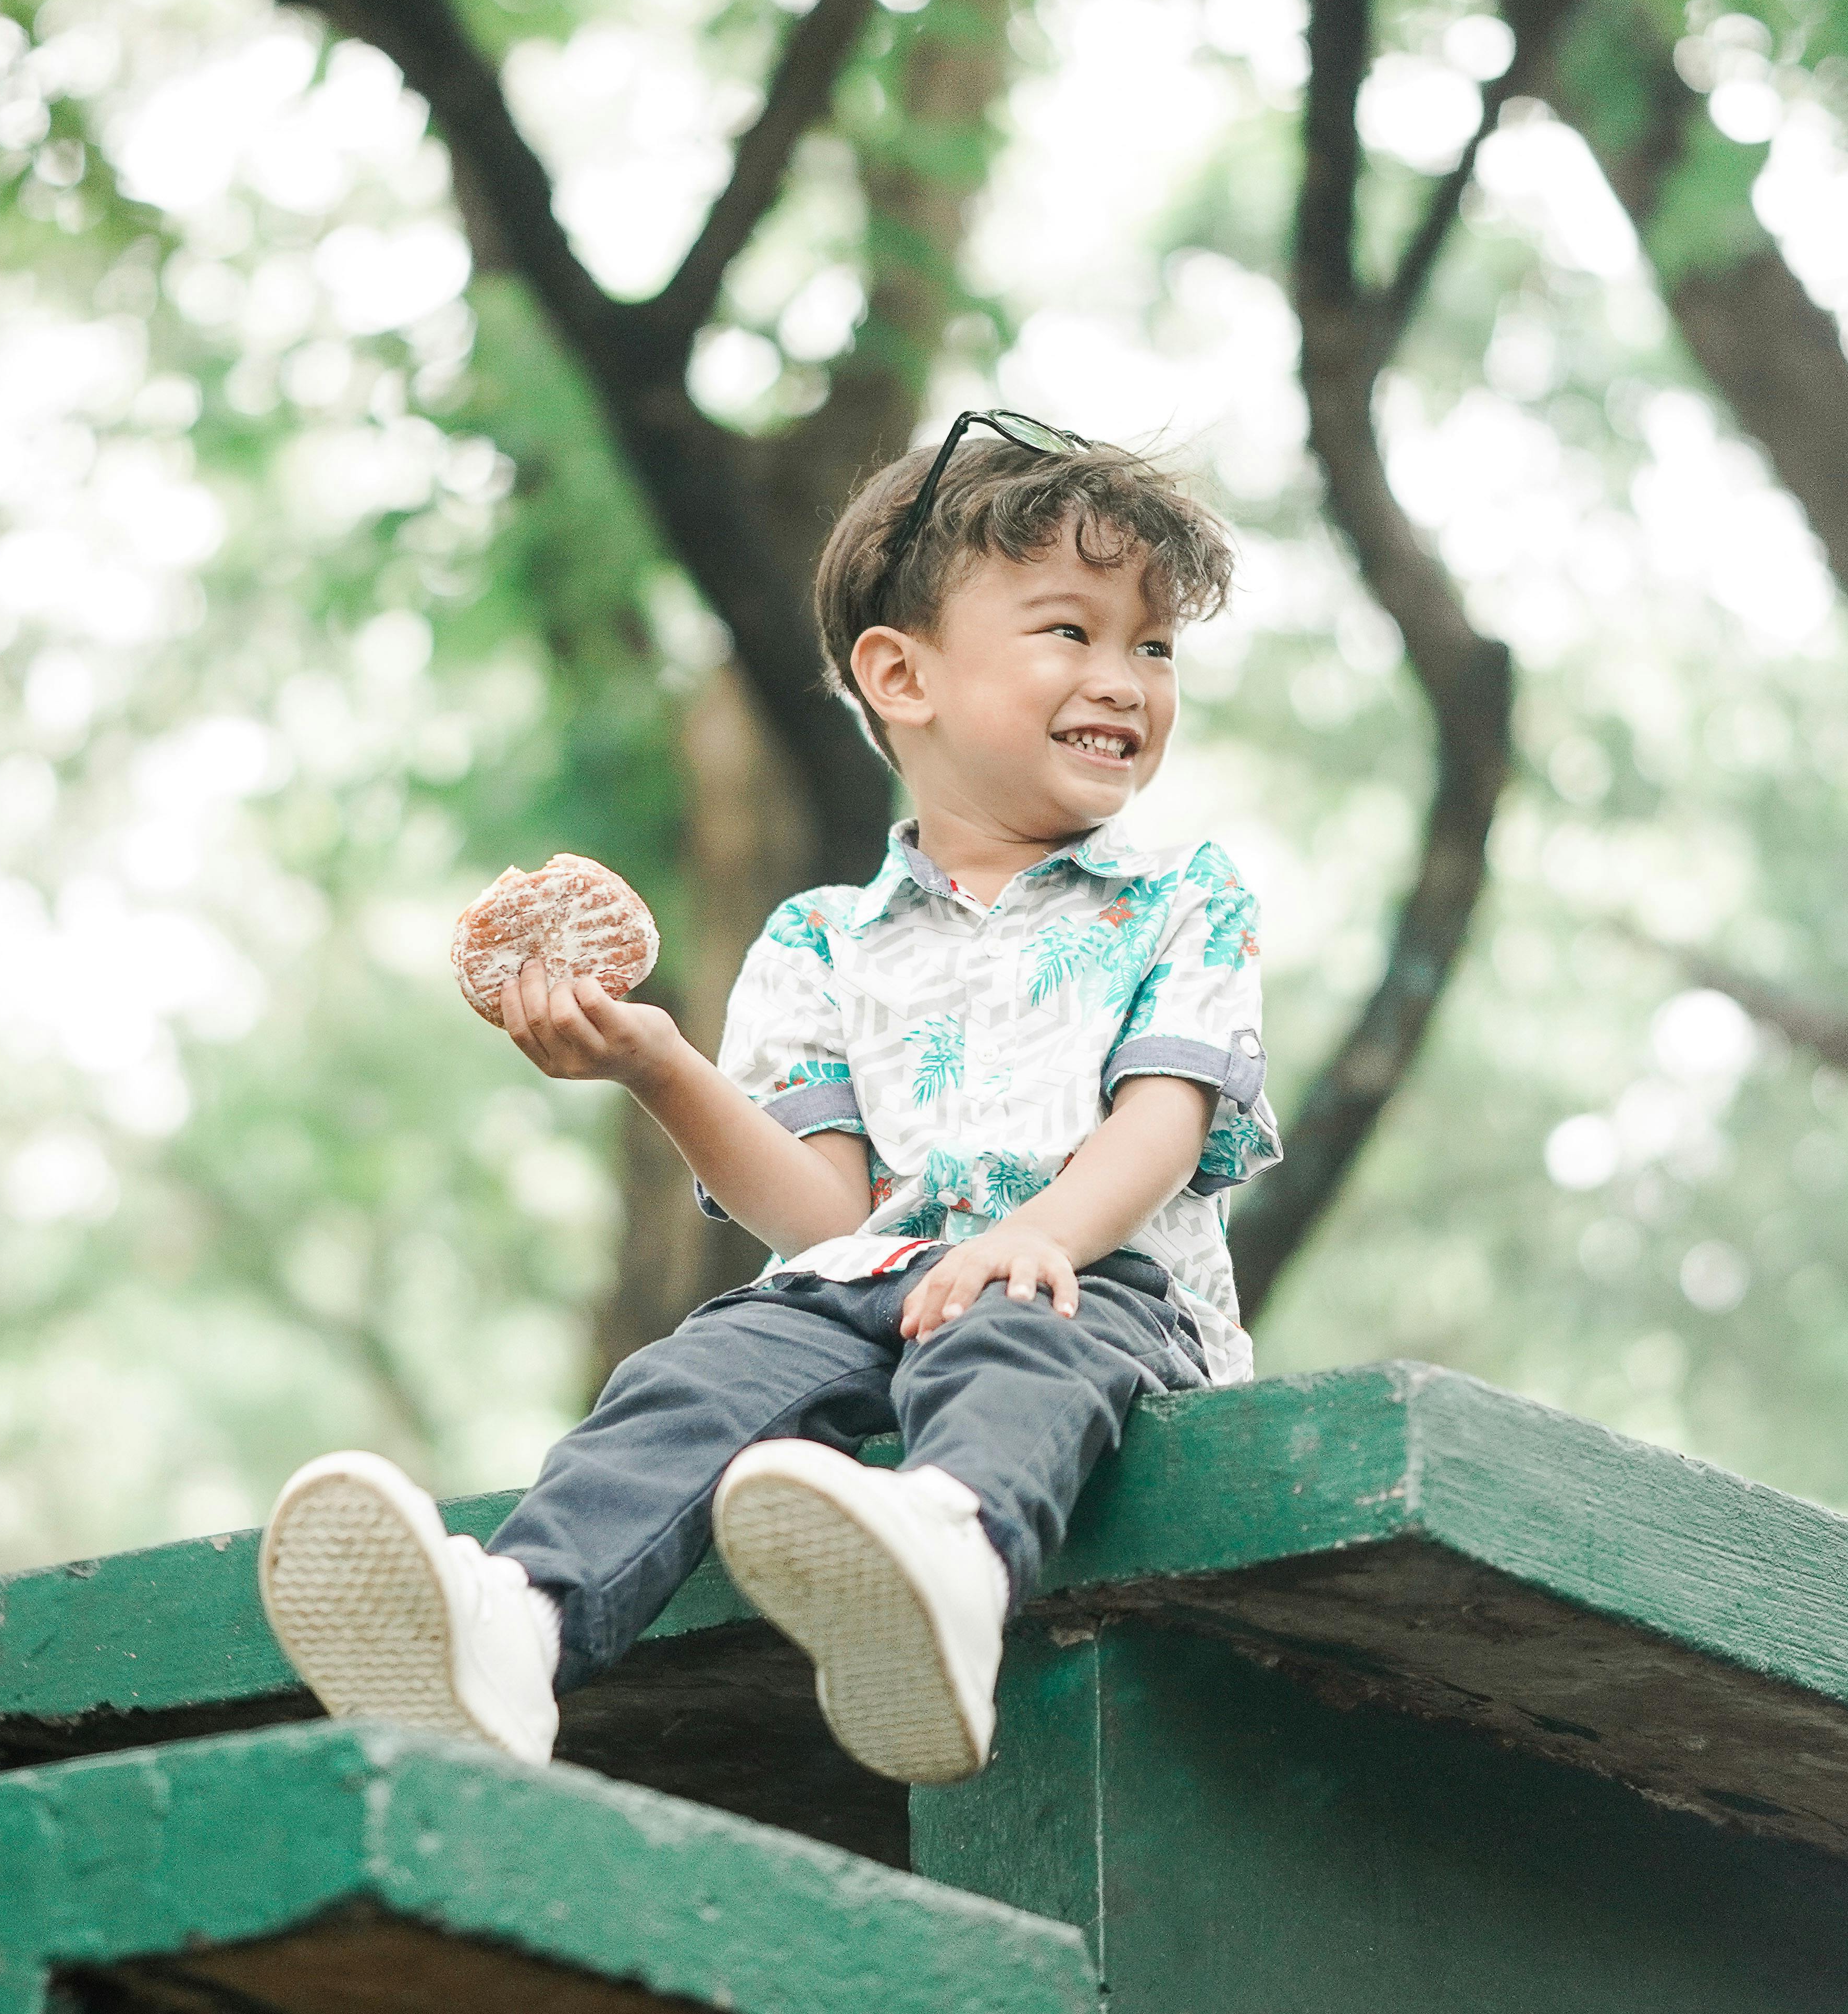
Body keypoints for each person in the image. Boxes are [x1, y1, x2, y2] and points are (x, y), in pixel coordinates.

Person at [258, 413, 1279, 1785]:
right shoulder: (817, 945)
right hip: (884, 1274)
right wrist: (656, 1067)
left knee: (1012, 1335)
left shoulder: (1180, 899)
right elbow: (822, 1217)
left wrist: (1045, 1235)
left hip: (1104, 1286)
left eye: (1153, 647)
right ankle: (520, 1625)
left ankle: (952, 1561)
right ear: (901, 674)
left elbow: (1169, 1116)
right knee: (700, 1370)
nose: (1127, 681)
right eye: (1071, 632)